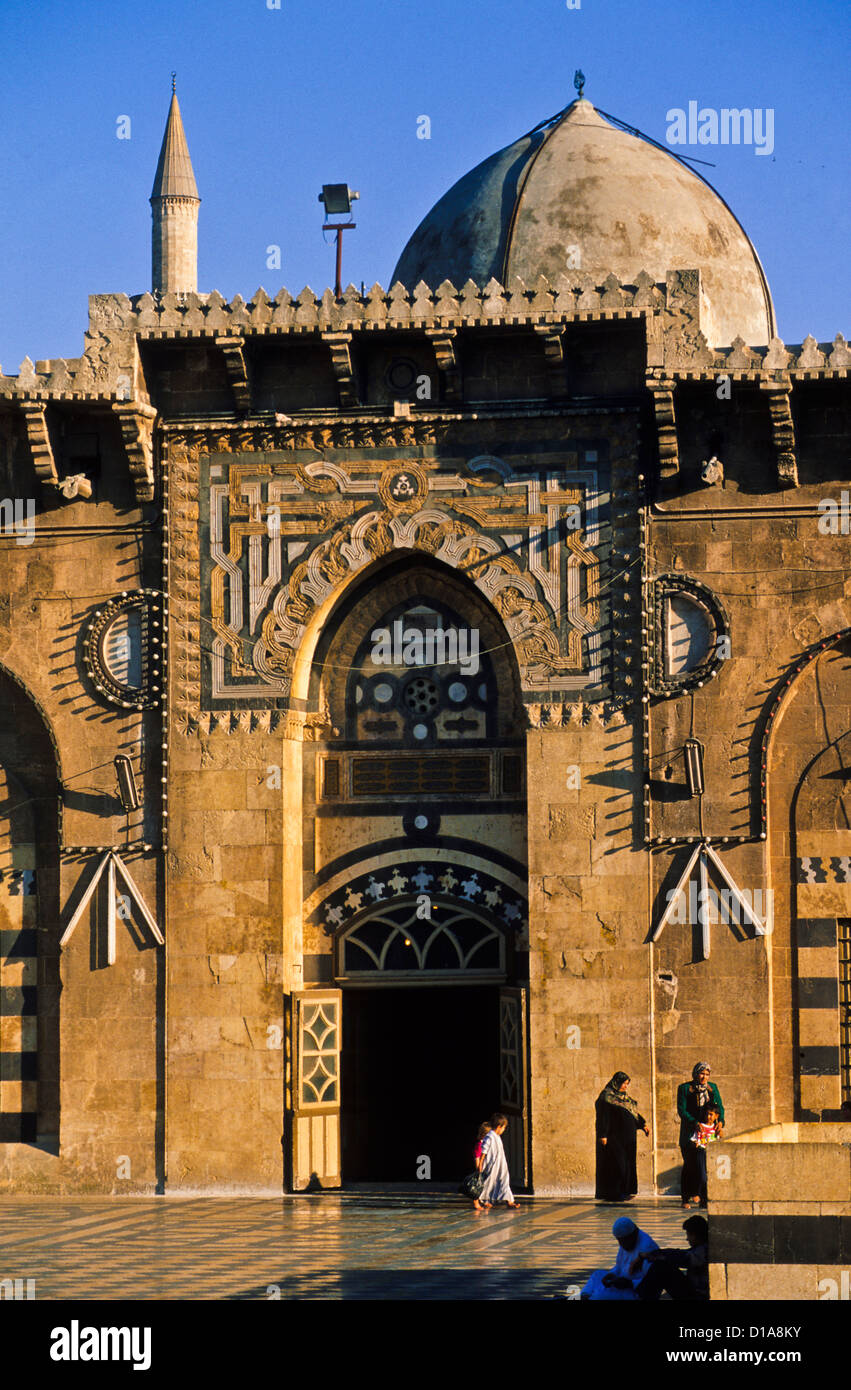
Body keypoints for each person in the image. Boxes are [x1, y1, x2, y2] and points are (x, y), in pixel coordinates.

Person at [595, 1072, 650, 1202]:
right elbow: (604, 1117)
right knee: (617, 1164)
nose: (625, 1086)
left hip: (629, 1137)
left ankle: (628, 1190)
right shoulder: (606, 1097)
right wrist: (603, 1134)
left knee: (629, 1163)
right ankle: (614, 1192)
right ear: (616, 1082)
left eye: (627, 1084)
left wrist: (643, 1125)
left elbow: (633, 1113)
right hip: (615, 1136)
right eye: (623, 1083)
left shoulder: (625, 1099)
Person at [677, 1062, 724, 1208]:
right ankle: (686, 1197)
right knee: (690, 1165)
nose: (704, 1077)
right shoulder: (685, 1088)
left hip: (707, 1132)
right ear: (695, 1073)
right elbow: (682, 1110)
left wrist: (720, 1122)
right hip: (690, 1133)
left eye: (707, 1074)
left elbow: (719, 1107)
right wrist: (695, 1122)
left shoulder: (712, 1088)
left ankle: (699, 1195)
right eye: (701, 1073)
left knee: (704, 1166)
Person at [580, 1217, 659, 1300]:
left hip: (637, 1292)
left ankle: (591, 1297)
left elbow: (652, 1281)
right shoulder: (626, 1242)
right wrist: (612, 1274)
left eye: (623, 1240)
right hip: (622, 1282)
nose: (621, 1244)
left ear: (632, 1235)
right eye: (619, 1240)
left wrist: (629, 1283)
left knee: (601, 1295)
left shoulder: (647, 1248)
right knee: (597, 1274)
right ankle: (584, 1296)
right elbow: (619, 1266)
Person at [637, 1215, 709, 1301]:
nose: (687, 1239)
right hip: (693, 1290)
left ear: (694, 1235)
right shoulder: (700, 1248)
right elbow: (679, 1254)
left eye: (688, 1235)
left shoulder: (703, 1251)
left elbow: (681, 1257)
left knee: (661, 1267)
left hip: (698, 1296)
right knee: (661, 1265)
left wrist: (652, 1255)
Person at [478, 1112, 518, 1209]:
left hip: (500, 1165)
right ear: (499, 1127)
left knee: (504, 1180)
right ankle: (484, 1200)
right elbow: (483, 1152)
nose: (504, 1130)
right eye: (504, 1127)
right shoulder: (489, 1137)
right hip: (492, 1166)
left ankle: (510, 1200)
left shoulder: (497, 1137)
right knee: (489, 1182)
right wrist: (480, 1165)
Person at [471, 1121, 492, 1211]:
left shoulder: (485, 1144)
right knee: (478, 1187)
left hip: (485, 1168)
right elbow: (477, 1156)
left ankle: (484, 1201)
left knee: (485, 1186)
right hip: (481, 1168)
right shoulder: (480, 1144)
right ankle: (476, 1202)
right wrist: (478, 1168)